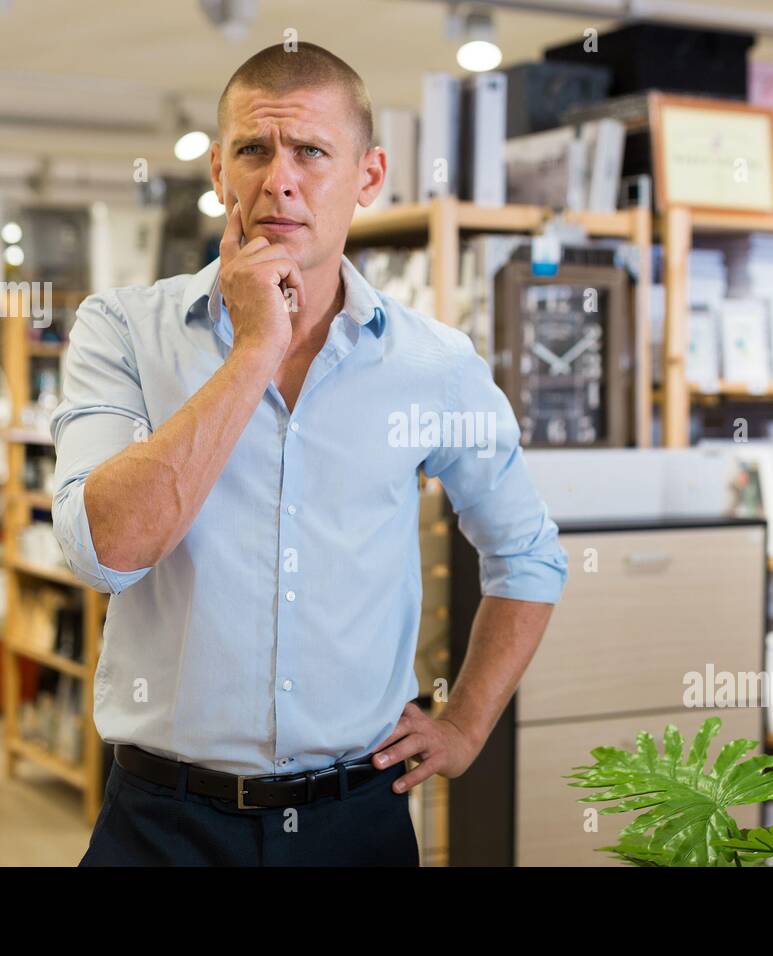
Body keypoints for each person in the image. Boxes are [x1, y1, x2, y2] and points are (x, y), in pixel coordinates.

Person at [51, 41, 567, 866]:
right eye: (254, 150)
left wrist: (466, 722)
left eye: (312, 152)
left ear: (368, 176)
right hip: (162, 825)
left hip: (353, 822)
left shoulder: (432, 365)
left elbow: (528, 556)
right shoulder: (123, 329)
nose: (279, 179)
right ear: (220, 170)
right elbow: (104, 551)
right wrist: (254, 350)